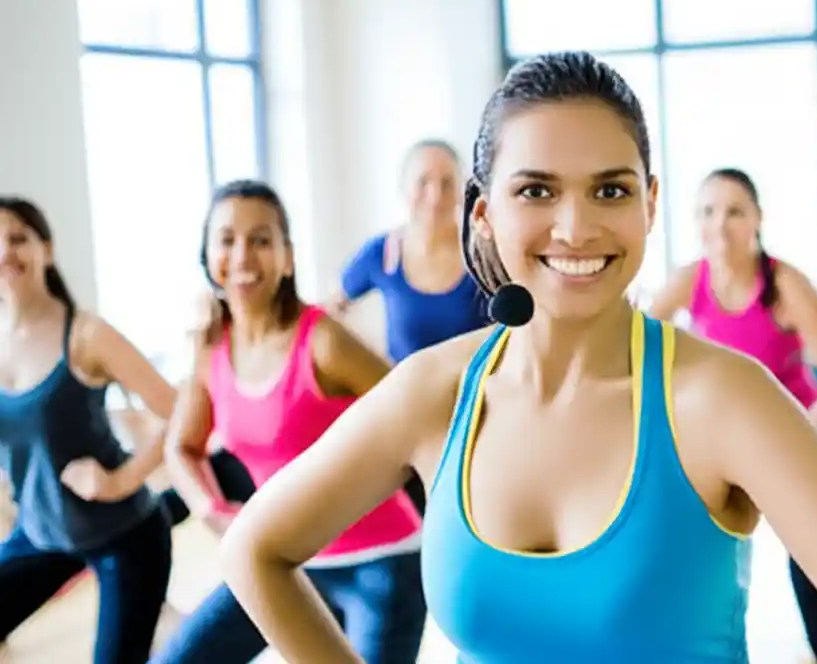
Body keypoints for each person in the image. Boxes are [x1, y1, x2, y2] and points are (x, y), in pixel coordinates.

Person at [215, 51, 817, 664]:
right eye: (537, 190)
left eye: (610, 191)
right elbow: (257, 549)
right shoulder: (435, 393)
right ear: (484, 214)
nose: (576, 226)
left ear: (650, 203)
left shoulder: (717, 400)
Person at [154, 181, 425, 664]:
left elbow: (419, 410)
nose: (243, 256)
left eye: (261, 240)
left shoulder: (323, 342)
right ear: (207, 254)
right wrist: (210, 508)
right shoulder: (211, 348)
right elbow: (182, 448)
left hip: (379, 567)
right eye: (227, 239)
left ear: (287, 257)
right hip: (278, 560)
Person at [649, 167, 817, 664]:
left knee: (814, 574)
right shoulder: (690, 280)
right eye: (707, 211)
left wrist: (781, 444)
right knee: (700, 564)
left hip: (801, 437)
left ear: (757, 220)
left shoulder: (786, 285)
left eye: (734, 212)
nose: (719, 225)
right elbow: (633, 351)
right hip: (724, 449)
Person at [0, 197, 176, 664]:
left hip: (126, 533)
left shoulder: (86, 336)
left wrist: (119, 481)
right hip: (40, 535)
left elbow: (178, 413)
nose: (5, 252)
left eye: (18, 238)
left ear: (47, 249)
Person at [332, 139, 488, 514]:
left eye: (447, 182)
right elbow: (326, 314)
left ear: (463, 188)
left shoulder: (483, 251)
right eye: (423, 182)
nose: (435, 195)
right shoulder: (382, 254)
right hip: (408, 422)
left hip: (477, 422)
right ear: (405, 190)